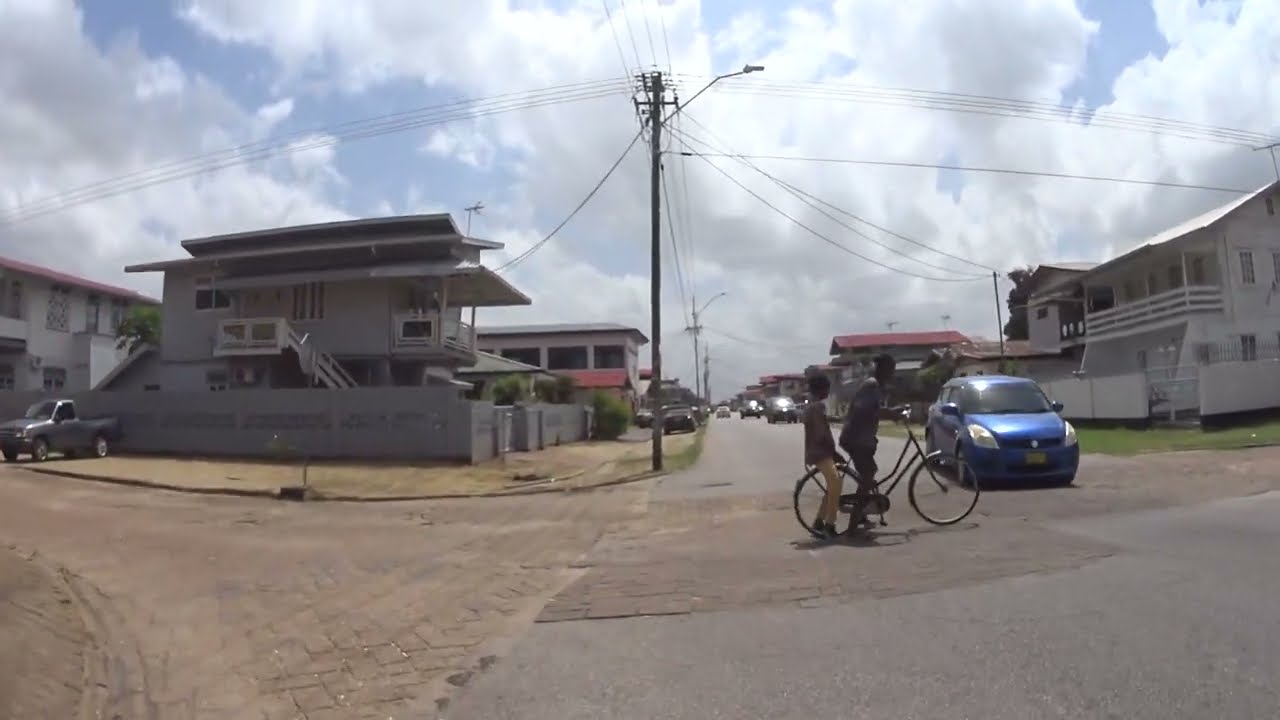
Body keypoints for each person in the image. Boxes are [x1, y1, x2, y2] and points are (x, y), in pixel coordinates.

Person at [839, 353, 905, 528]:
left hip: (862, 438)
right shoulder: (871, 385)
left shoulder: (876, 386)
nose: (893, 373)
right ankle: (853, 522)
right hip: (856, 438)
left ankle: (861, 514)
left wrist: (893, 411)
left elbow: (876, 409)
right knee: (868, 476)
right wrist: (890, 413)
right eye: (891, 369)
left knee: (868, 474)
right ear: (883, 370)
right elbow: (866, 410)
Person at [802, 373, 841, 539]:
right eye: (827, 388)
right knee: (836, 484)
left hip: (815, 452)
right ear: (822, 389)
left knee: (833, 485)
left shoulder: (810, 406)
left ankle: (819, 521)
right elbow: (821, 433)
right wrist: (833, 452)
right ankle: (830, 524)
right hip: (820, 452)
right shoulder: (817, 407)